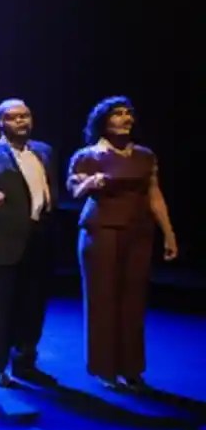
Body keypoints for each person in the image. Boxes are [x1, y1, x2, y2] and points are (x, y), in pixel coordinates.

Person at [68, 96, 177, 390]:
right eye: (117, 114)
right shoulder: (87, 155)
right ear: (104, 120)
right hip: (101, 229)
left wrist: (168, 233)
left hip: (139, 231)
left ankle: (132, 368)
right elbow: (74, 190)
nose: (125, 118)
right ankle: (105, 368)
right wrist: (91, 183)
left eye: (129, 113)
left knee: (133, 301)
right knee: (102, 298)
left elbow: (154, 195)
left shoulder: (145, 155)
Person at [0, 98, 58, 387]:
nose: (21, 122)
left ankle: (25, 361)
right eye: (14, 117)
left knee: (33, 305)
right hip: (1, 241)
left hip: (38, 238)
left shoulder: (44, 151)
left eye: (25, 116)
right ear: (1, 123)